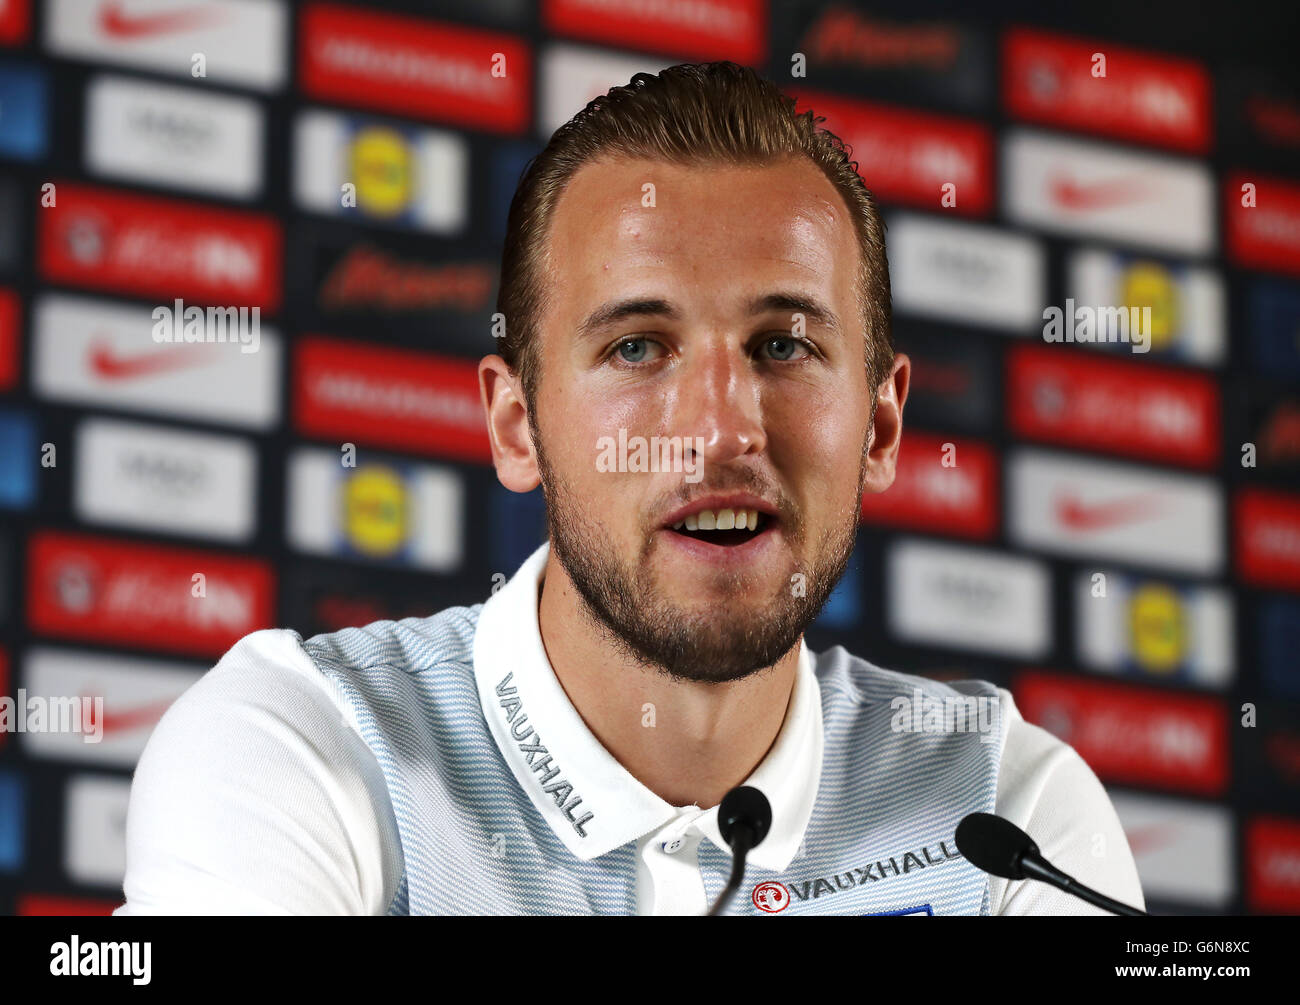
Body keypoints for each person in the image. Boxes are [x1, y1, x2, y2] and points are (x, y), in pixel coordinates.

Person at [114, 61, 1143, 916]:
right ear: (517, 426)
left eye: (782, 343)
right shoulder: (306, 750)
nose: (721, 429)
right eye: (638, 346)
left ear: (880, 424)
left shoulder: (1005, 809)